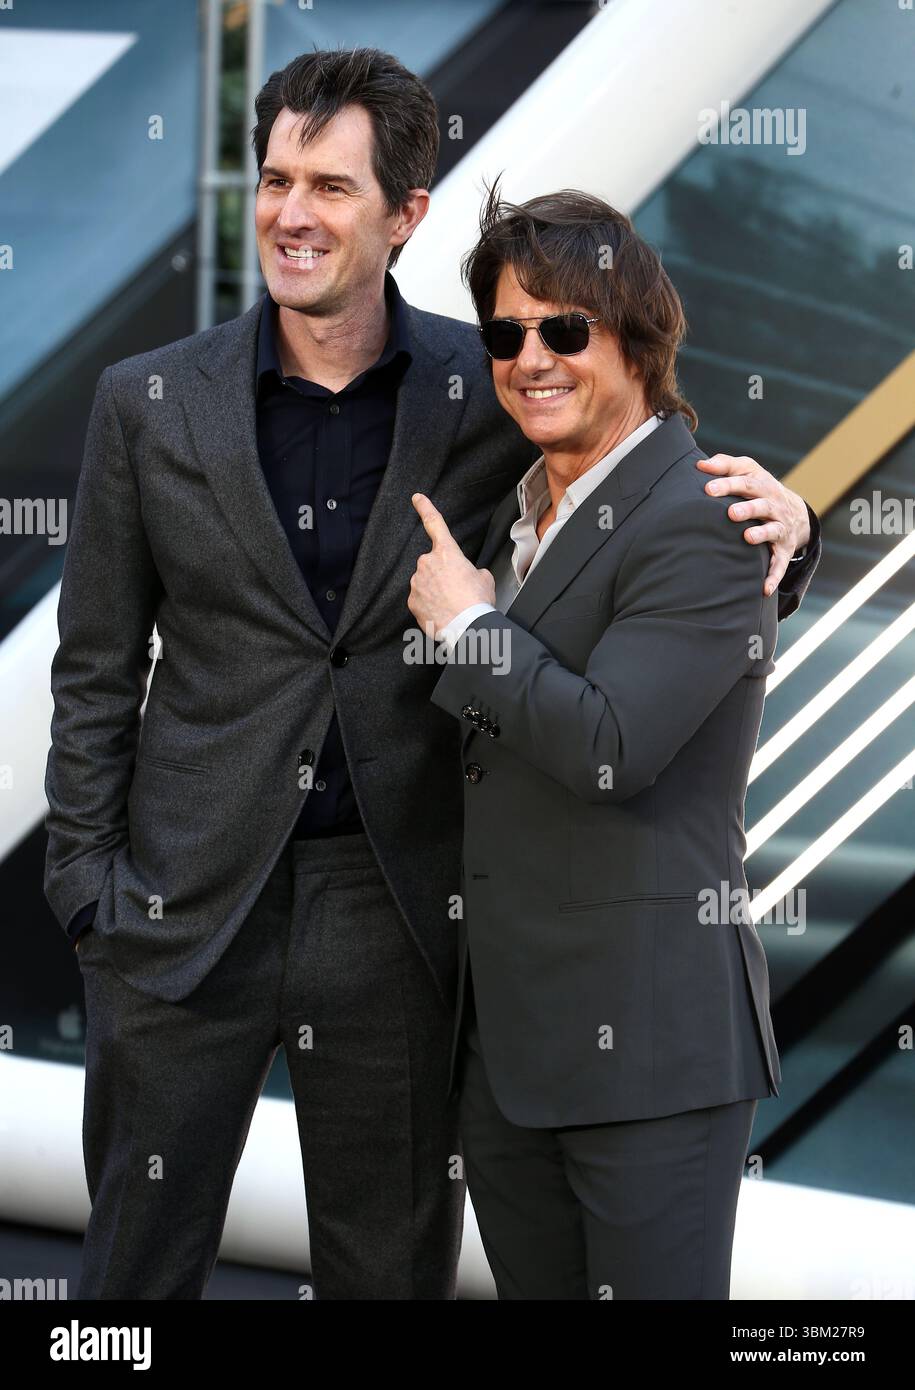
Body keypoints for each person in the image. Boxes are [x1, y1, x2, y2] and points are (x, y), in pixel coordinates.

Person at [44, 50, 819, 1300]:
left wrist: (790, 527)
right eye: (276, 180)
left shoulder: (491, 384)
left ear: (404, 214)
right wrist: (90, 893)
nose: (293, 213)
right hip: (179, 909)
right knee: (129, 1274)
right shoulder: (145, 405)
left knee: (389, 1270)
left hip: (397, 915)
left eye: (332, 187)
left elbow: (637, 471)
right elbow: (93, 671)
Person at [408, 185, 814, 1299]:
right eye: (507, 332)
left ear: (637, 338)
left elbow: (611, 745)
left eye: (565, 329)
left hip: (648, 1052)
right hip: (511, 1054)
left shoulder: (706, 512)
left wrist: (470, 628)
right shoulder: (515, 510)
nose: (530, 357)